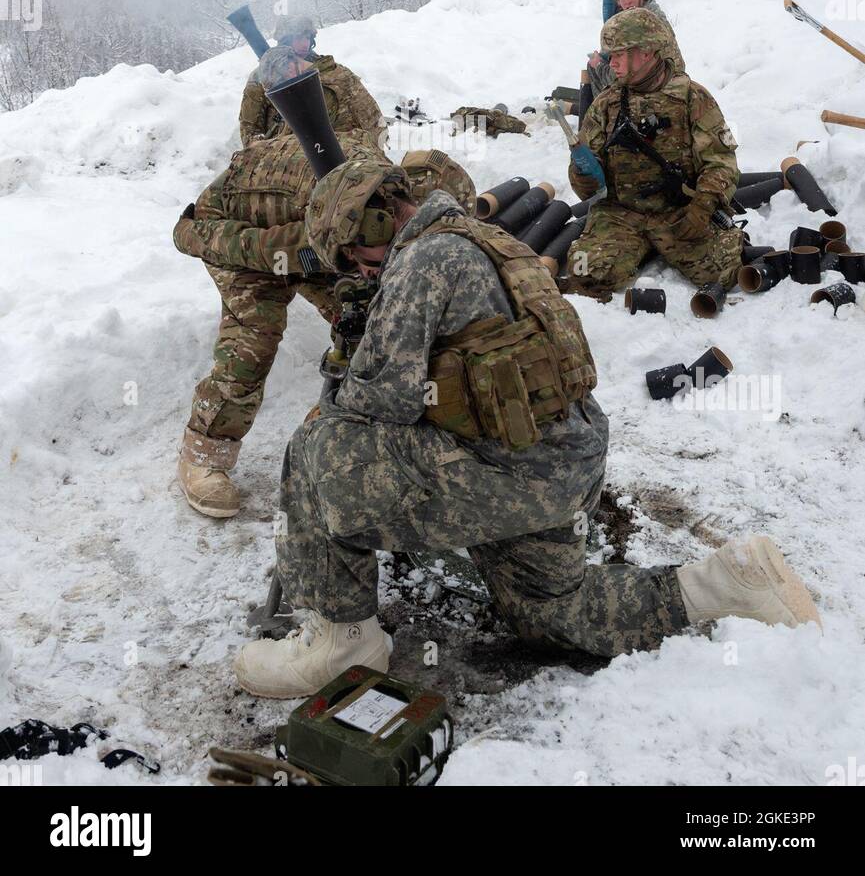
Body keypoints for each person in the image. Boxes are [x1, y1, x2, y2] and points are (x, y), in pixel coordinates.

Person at [231, 155, 819, 698]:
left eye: (356, 256)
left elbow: (378, 405)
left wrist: (347, 365)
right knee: (553, 613)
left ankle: (342, 642)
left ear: (378, 222)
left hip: (507, 470)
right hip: (557, 463)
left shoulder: (422, 263)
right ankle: (726, 584)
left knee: (320, 444)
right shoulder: (489, 240)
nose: (361, 271)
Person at [173, 133, 475, 519]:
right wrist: (188, 234)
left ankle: (345, 432)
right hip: (237, 234)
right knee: (255, 338)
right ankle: (204, 451)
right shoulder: (332, 221)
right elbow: (252, 248)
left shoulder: (387, 197)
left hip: (325, 240)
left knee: (368, 322)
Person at [564, 8, 743, 301]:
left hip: (680, 212)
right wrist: (582, 177)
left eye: (619, 54)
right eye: (610, 55)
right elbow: (586, 168)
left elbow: (721, 161)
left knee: (723, 272)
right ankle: (636, 248)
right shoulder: (606, 103)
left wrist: (703, 206)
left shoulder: (692, 97)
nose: (612, 63)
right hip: (620, 213)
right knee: (585, 274)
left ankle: (654, 247)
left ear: (646, 52)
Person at [238, 13, 384, 148]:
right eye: (298, 38)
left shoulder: (329, 68)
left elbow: (366, 110)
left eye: (307, 38)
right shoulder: (260, 77)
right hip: (293, 155)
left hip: (347, 148)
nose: (305, 44)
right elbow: (250, 132)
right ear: (284, 40)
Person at [587, 0, 684, 99]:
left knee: (593, 66)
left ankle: (603, 112)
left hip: (657, 94)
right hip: (665, 85)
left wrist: (598, 65)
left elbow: (618, 77)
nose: (627, 2)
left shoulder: (640, 23)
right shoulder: (649, 12)